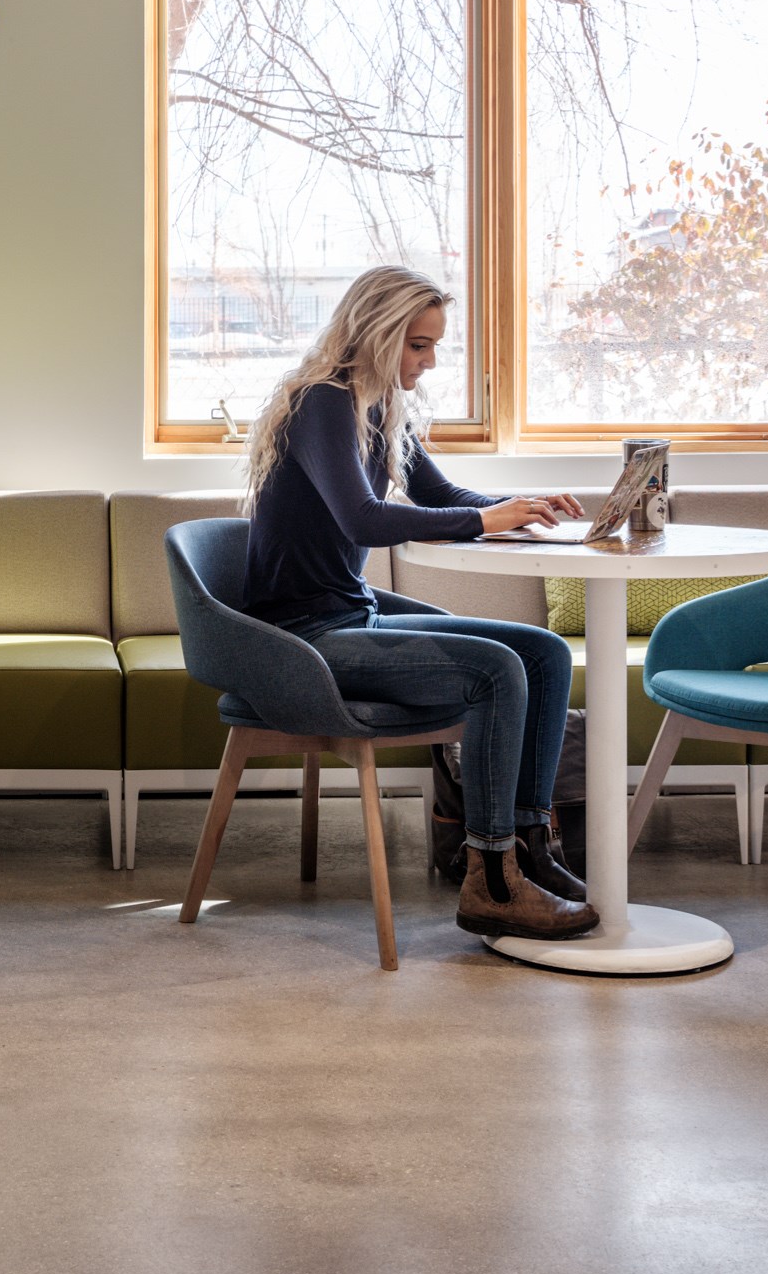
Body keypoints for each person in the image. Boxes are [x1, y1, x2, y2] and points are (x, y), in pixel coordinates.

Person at [236, 265, 600, 941]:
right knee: (497, 671)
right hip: (301, 635)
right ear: (376, 335)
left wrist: (521, 505)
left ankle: (531, 849)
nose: (429, 363)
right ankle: (490, 878)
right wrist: (487, 523)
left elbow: (443, 495)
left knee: (544, 654)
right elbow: (363, 521)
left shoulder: (379, 406)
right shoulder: (322, 401)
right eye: (418, 346)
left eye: (433, 346)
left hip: (349, 611)